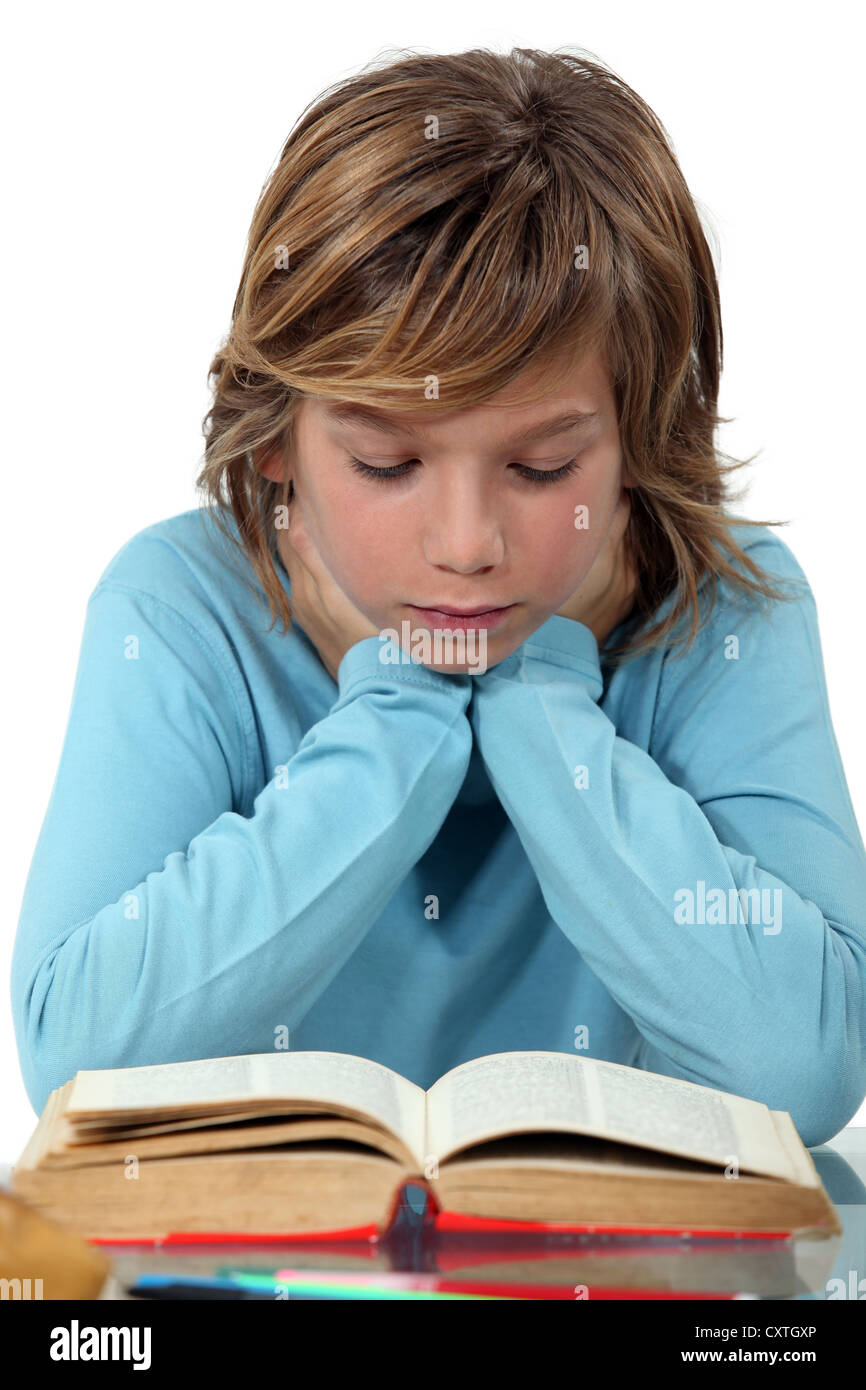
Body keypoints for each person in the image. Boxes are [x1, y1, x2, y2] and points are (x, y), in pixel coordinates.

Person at [12, 48, 866, 1147]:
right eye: (384, 465)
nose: (467, 547)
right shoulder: (178, 611)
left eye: (543, 468)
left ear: (636, 447)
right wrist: (400, 710)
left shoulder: (725, 612)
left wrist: (533, 695)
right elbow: (79, 1067)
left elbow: (804, 1063)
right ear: (275, 439)